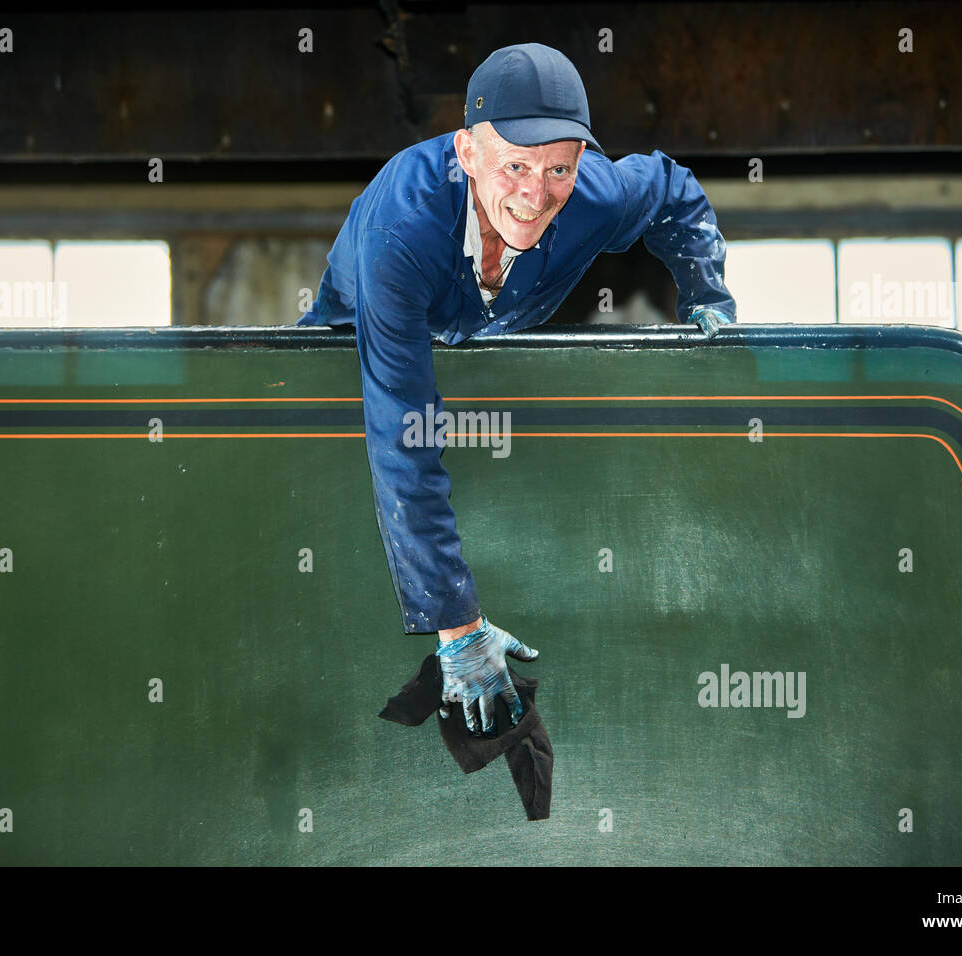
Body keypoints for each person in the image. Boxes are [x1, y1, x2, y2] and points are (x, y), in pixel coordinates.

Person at [298, 42, 737, 738]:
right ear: (467, 153)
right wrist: (458, 624)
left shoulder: (592, 195)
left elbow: (674, 189)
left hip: (495, 337)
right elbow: (402, 436)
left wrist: (707, 292)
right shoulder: (401, 230)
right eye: (515, 166)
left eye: (558, 168)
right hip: (378, 332)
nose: (535, 195)